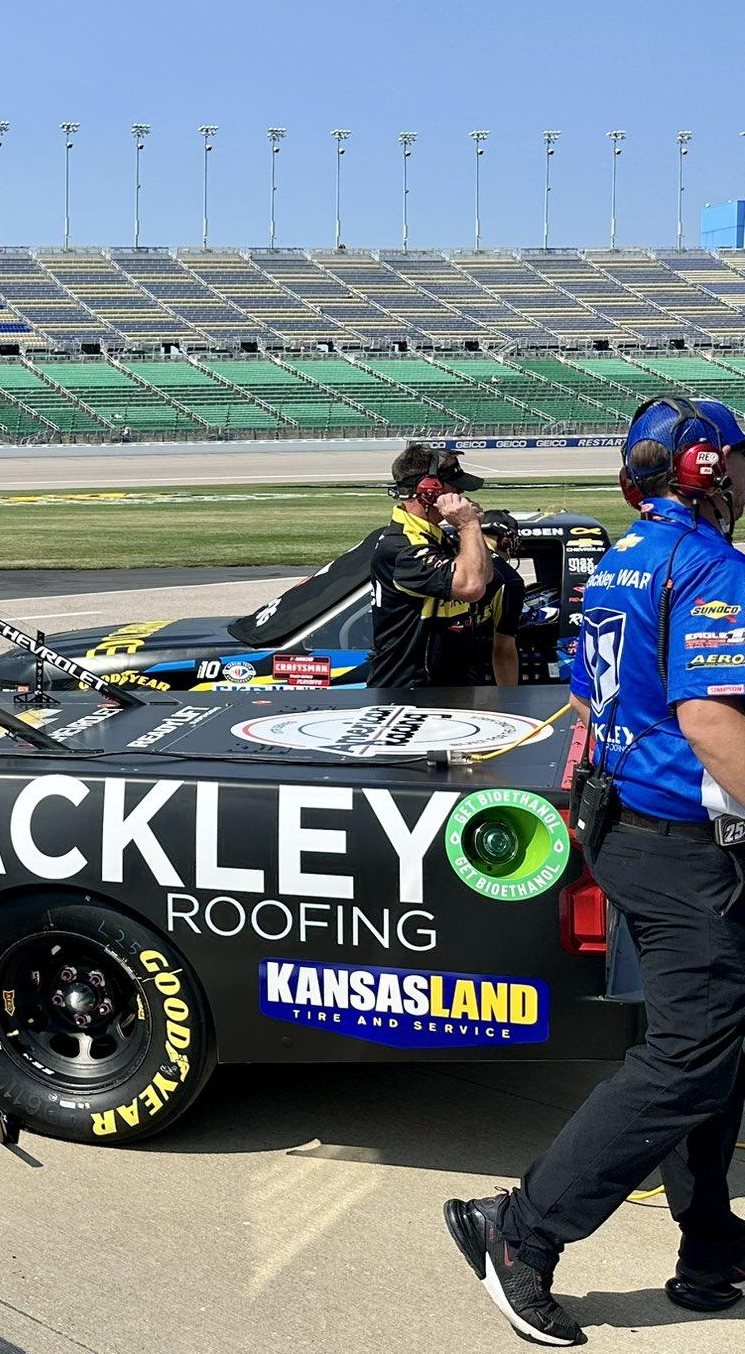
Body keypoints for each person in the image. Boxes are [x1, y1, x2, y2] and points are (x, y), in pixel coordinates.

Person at [444, 396, 745, 1345]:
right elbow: (709, 721)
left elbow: (586, 698)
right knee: (692, 1052)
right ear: (707, 469)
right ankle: (523, 1230)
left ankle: (708, 1251)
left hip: (626, 828)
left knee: (709, 1043)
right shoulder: (711, 567)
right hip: (681, 842)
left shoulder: (619, 556)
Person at [365, 443, 494, 688]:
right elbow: (472, 587)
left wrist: (473, 531)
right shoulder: (402, 548)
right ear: (429, 490)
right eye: (454, 487)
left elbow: (485, 577)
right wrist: (467, 527)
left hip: (444, 688)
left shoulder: (435, 536)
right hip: (409, 693)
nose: (460, 494)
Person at [468, 509, 525, 688]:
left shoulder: (448, 555)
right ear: (506, 540)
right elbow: (503, 650)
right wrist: (509, 699)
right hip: (464, 669)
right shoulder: (509, 579)